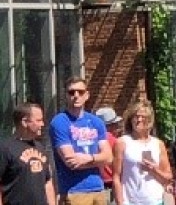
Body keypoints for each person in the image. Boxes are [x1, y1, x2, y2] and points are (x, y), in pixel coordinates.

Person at [50, 77, 113, 205]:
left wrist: (88, 158)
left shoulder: (96, 122)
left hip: (98, 188)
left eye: (80, 92)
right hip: (74, 191)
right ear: (66, 96)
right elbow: (71, 162)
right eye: (71, 92)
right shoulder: (60, 122)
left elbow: (109, 158)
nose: (76, 96)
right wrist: (98, 160)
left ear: (87, 95)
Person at [111, 99, 172, 205]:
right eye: (136, 116)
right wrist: (120, 202)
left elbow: (168, 176)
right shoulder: (122, 142)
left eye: (143, 117)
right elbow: (116, 176)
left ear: (149, 120)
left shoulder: (158, 144)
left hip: (155, 200)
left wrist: (154, 169)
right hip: (131, 201)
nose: (139, 120)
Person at [0, 103, 56, 205]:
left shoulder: (41, 148)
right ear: (25, 122)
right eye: (38, 120)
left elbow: (47, 182)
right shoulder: (5, 148)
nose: (42, 124)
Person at [94, 108, 123, 202]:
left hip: (97, 185)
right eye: (115, 124)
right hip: (112, 184)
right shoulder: (115, 141)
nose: (117, 126)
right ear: (110, 125)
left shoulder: (92, 140)